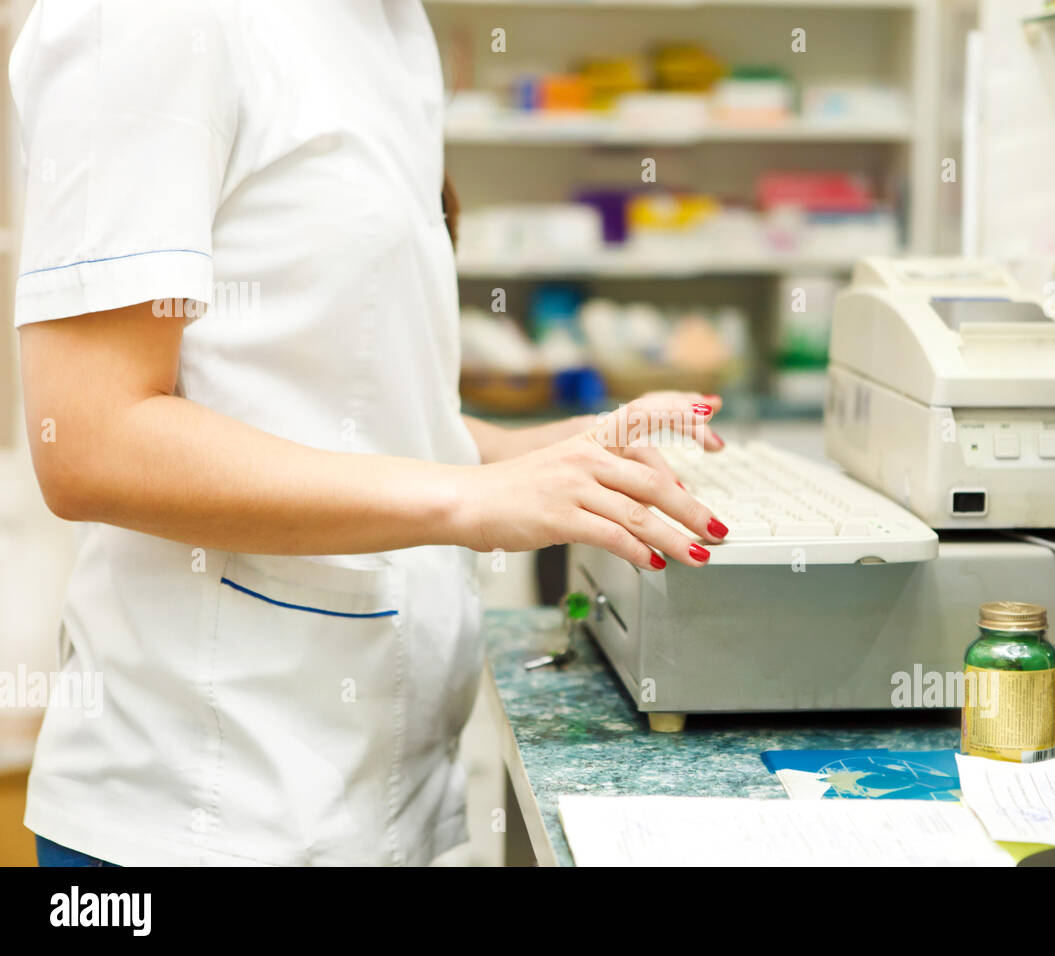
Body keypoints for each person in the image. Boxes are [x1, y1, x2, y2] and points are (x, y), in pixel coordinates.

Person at [12, 0, 728, 866]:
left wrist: (542, 455)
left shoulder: (392, 25)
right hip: (206, 808)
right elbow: (92, 441)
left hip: (379, 789)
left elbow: (335, 407)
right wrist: (468, 498)